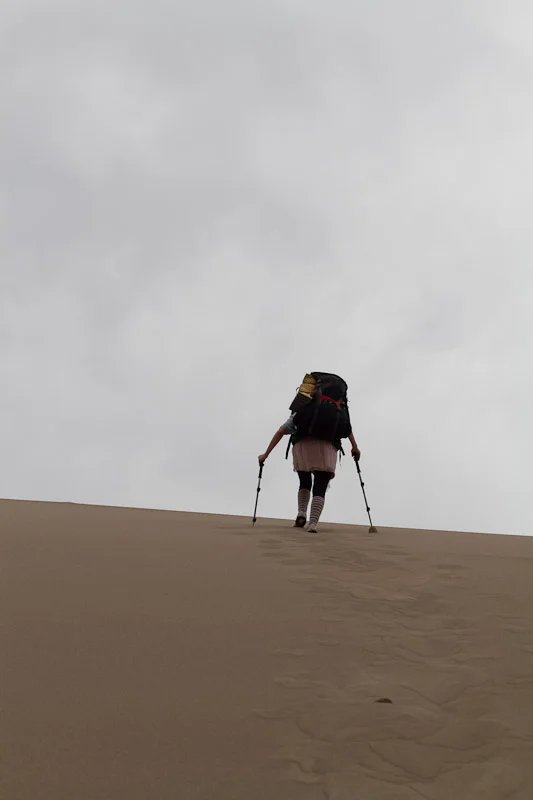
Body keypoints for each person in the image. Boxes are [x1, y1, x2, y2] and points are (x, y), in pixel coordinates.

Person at [258, 413, 361, 533]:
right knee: (320, 486)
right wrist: (354, 447)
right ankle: (313, 523)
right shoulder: (336, 412)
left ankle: (301, 513)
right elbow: (347, 429)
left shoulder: (303, 410)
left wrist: (266, 454)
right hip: (327, 450)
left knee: (304, 482)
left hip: (302, 449)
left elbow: (281, 431)